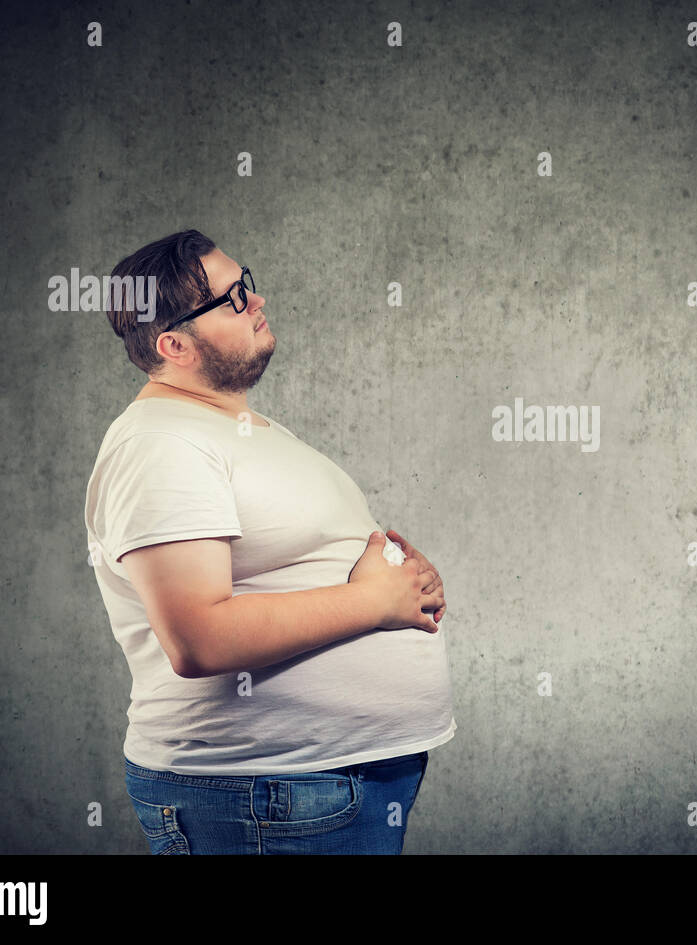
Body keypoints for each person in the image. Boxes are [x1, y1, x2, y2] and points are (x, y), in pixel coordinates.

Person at [83, 229, 455, 854]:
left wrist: (407, 584)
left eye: (245, 283)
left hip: (317, 786)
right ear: (174, 345)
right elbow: (199, 637)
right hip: (262, 795)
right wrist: (376, 602)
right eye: (231, 299)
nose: (256, 301)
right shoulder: (160, 446)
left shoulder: (234, 427)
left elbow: (303, 562)